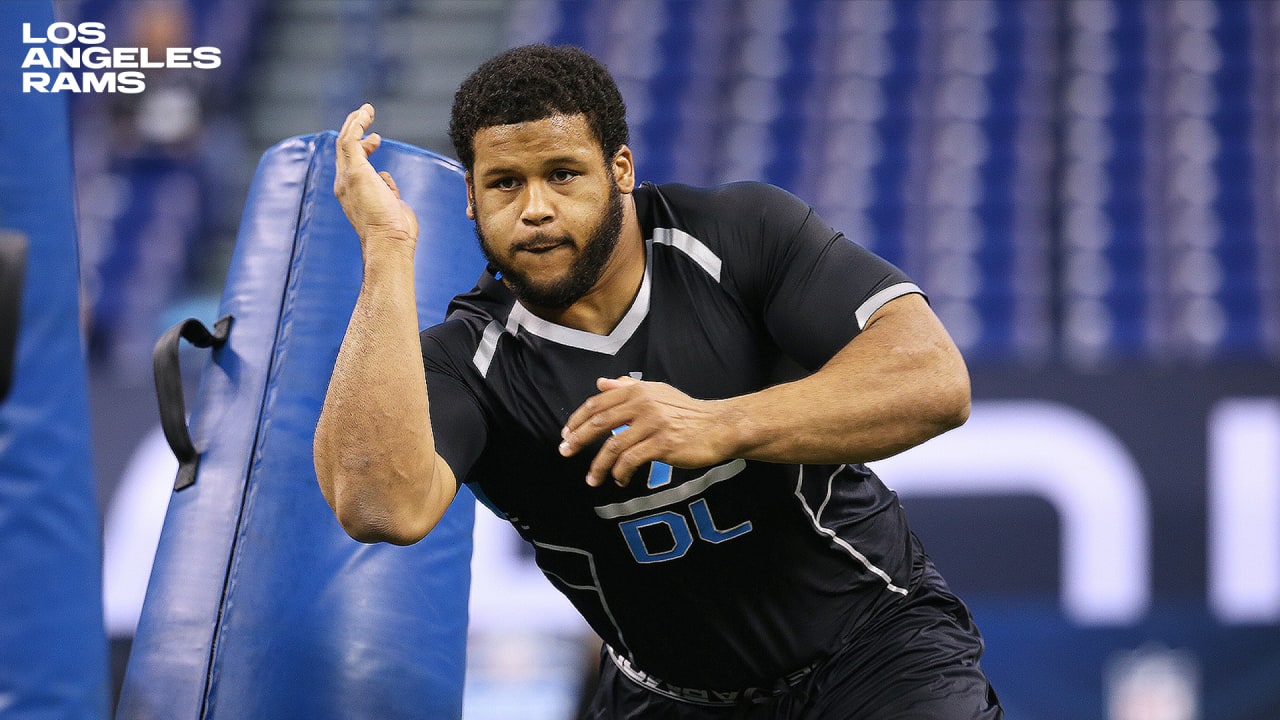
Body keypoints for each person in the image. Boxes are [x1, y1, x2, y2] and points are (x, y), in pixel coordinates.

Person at [314, 44, 1003, 719]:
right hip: (669, 695)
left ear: (620, 170)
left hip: (876, 652)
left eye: (562, 174)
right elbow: (380, 508)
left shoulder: (738, 234)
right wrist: (387, 252)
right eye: (504, 183)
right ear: (469, 197)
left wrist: (720, 423)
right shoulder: (471, 358)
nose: (534, 209)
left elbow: (934, 379)